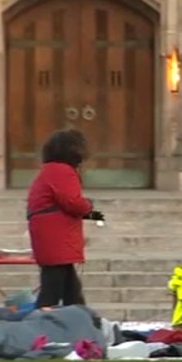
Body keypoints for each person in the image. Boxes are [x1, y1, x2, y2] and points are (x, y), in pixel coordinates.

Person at [26, 128, 104, 308]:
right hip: (57, 237)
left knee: (70, 289)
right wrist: (88, 205)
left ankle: (80, 321)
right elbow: (72, 202)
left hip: (50, 235)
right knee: (52, 290)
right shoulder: (62, 172)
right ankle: (41, 326)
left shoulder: (49, 170)